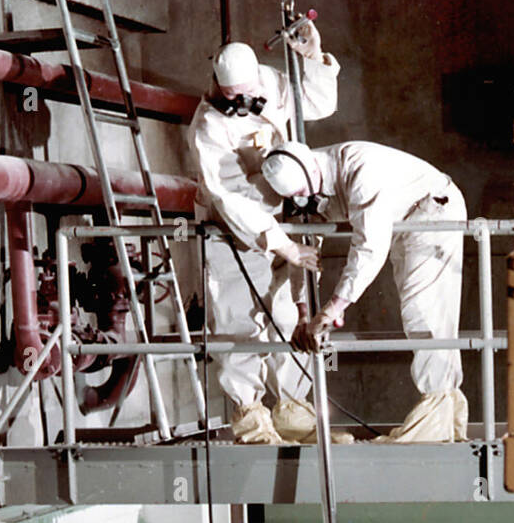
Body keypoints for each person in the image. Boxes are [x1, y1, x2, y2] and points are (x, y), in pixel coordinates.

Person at [188, 31, 341, 445]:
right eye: (236, 97)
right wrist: (282, 244)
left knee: (287, 314)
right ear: (220, 89)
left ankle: (294, 410)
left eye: (251, 93)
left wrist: (313, 58)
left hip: (281, 215)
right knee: (241, 323)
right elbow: (230, 199)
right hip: (233, 230)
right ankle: (250, 415)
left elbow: (319, 104)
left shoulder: (271, 82)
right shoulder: (208, 128)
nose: (246, 104)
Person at [261, 140, 469, 443]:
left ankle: (439, 420)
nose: (306, 199)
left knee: (423, 312)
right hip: (402, 219)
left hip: (431, 211)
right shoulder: (306, 189)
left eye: (307, 192)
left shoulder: (361, 171)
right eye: (298, 197)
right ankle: (441, 418)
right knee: (418, 313)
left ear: (314, 168)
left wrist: (332, 309)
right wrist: (303, 311)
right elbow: (303, 250)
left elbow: (369, 248)